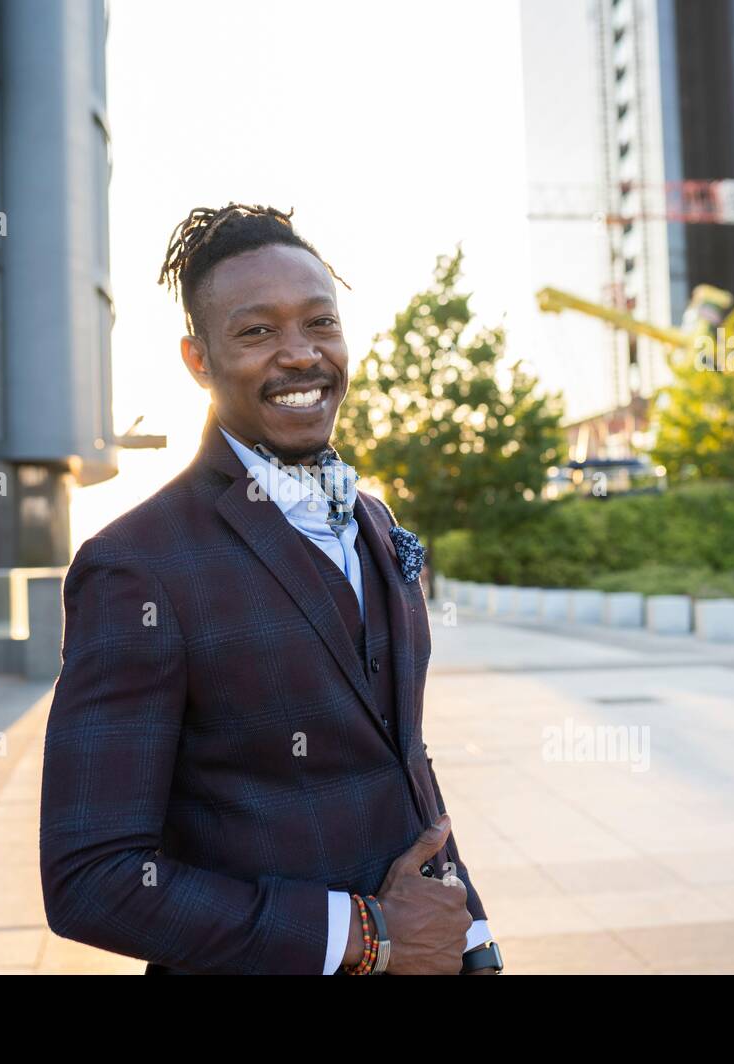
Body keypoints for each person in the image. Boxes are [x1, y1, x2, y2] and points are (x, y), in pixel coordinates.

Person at [39, 204, 501, 975]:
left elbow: (402, 770)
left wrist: (472, 938)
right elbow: (92, 880)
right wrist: (368, 937)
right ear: (198, 359)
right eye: (256, 332)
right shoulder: (137, 566)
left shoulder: (376, 520)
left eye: (319, 324)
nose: (299, 355)